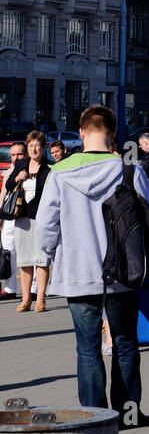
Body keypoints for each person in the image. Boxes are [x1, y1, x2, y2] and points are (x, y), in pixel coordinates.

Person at [35, 105, 149, 426]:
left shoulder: (60, 172)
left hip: (78, 271)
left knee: (87, 347)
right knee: (126, 344)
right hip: (123, 271)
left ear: (81, 133)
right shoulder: (129, 169)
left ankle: (93, 417)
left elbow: (45, 227)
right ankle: (129, 415)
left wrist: (52, 255)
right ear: (113, 134)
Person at [4, 131, 53, 312]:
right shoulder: (21, 164)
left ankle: (40, 298)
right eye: (31, 145)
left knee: (41, 260)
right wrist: (18, 178)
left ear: (44, 147)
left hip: (42, 219)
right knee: (24, 260)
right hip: (22, 217)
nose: (33, 149)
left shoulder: (49, 168)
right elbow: (9, 185)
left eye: (37, 145)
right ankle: (25, 299)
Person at [0, 140, 25, 298]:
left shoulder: (32, 169)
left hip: (27, 215)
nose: (15, 157)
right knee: (8, 251)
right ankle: (10, 289)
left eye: (19, 154)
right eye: (13, 154)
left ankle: (34, 290)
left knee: (29, 253)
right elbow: (3, 194)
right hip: (9, 215)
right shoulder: (9, 171)